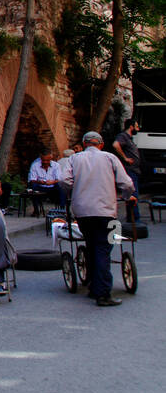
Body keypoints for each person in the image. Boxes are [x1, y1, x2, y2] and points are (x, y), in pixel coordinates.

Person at [61, 131, 137, 307]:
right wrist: (127, 196)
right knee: (104, 249)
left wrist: (72, 192)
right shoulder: (110, 158)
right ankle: (102, 294)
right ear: (101, 144)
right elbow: (126, 184)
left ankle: (94, 287)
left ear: (84, 143)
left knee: (92, 245)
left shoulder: (75, 158)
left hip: (83, 212)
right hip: (106, 212)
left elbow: (64, 181)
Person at [113, 117, 142, 224]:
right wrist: (125, 158)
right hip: (130, 170)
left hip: (134, 170)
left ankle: (132, 217)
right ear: (131, 127)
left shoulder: (129, 138)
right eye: (137, 126)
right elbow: (115, 145)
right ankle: (135, 219)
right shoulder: (123, 136)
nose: (138, 129)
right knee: (133, 194)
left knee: (132, 194)